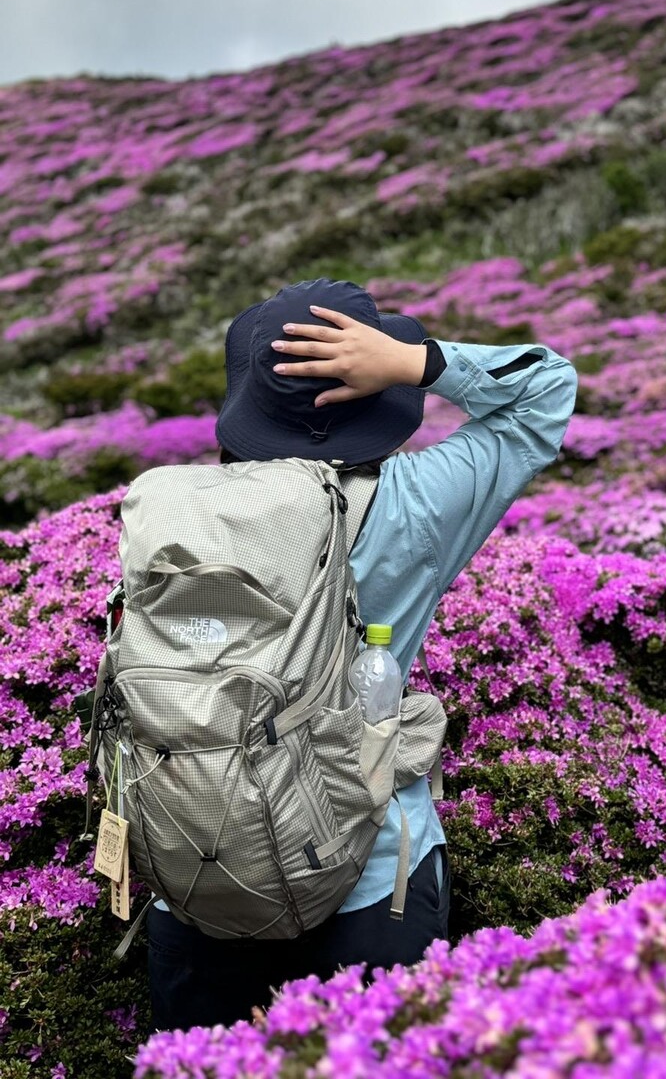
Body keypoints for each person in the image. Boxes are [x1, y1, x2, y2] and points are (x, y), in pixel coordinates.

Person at [145, 277, 577, 1031]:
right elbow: (546, 390)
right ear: (370, 395)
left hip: (192, 871)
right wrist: (418, 363)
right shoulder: (415, 502)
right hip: (370, 879)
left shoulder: (168, 510)